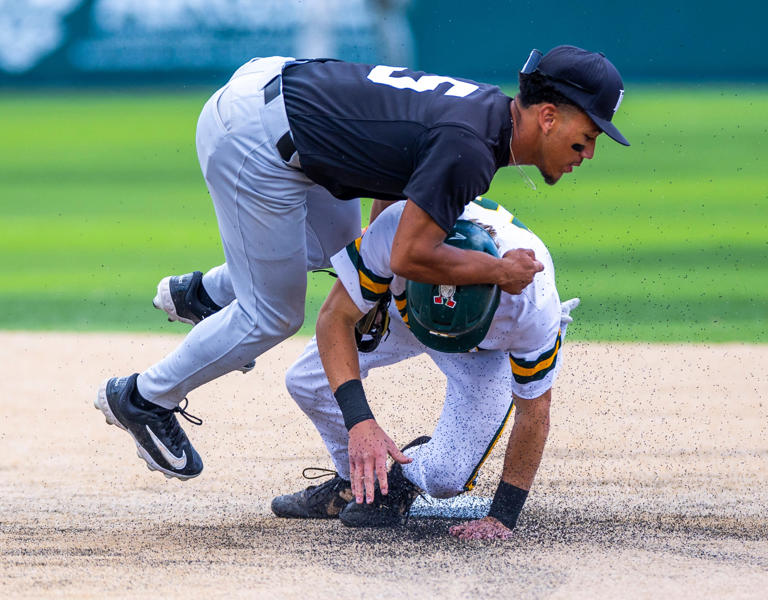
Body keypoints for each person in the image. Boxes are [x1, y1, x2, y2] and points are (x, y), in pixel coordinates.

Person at [95, 46, 627, 481]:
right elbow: (408, 254)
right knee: (274, 316)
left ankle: (211, 293)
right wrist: (499, 272)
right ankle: (144, 398)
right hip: (257, 138)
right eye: (591, 131)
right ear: (549, 116)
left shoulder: (484, 115)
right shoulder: (470, 148)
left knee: (346, 257)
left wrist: (374, 280)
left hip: (281, 96)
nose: (591, 148)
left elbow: (393, 205)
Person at [271, 198, 578, 539]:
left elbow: (534, 411)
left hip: (487, 349)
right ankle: (355, 481)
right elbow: (334, 318)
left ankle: (405, 479)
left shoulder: (531, 307)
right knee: (306, 381)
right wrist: (360, 420)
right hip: (409, 310)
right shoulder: (397, 236)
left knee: (446, 476)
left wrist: (501, 517)